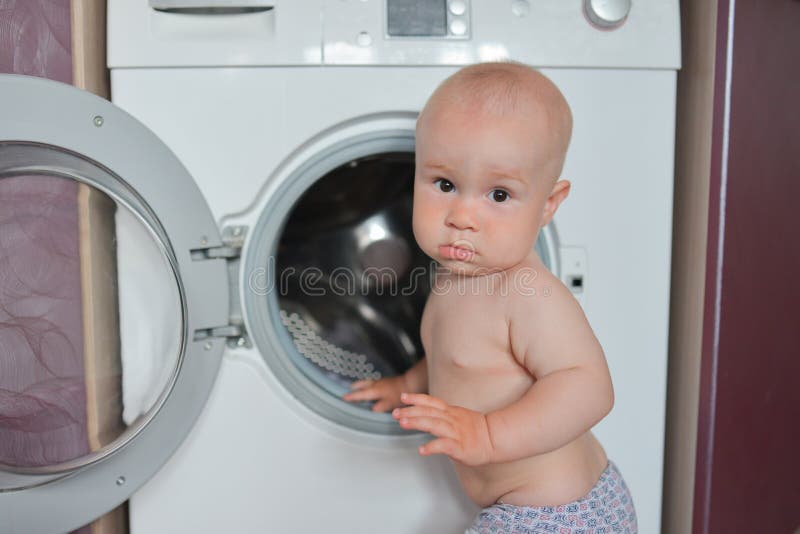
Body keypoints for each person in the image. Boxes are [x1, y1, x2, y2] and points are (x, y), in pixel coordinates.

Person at [343, 62, 637, 533]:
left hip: (554, 513)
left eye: (498, 194)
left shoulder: (528, 294)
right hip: (521, 509)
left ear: (548, 205)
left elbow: (589, 387)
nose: (461, 215)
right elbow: (459, 360)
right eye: (444, 185)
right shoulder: (455, 275)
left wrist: (487, 434)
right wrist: (409, 384)